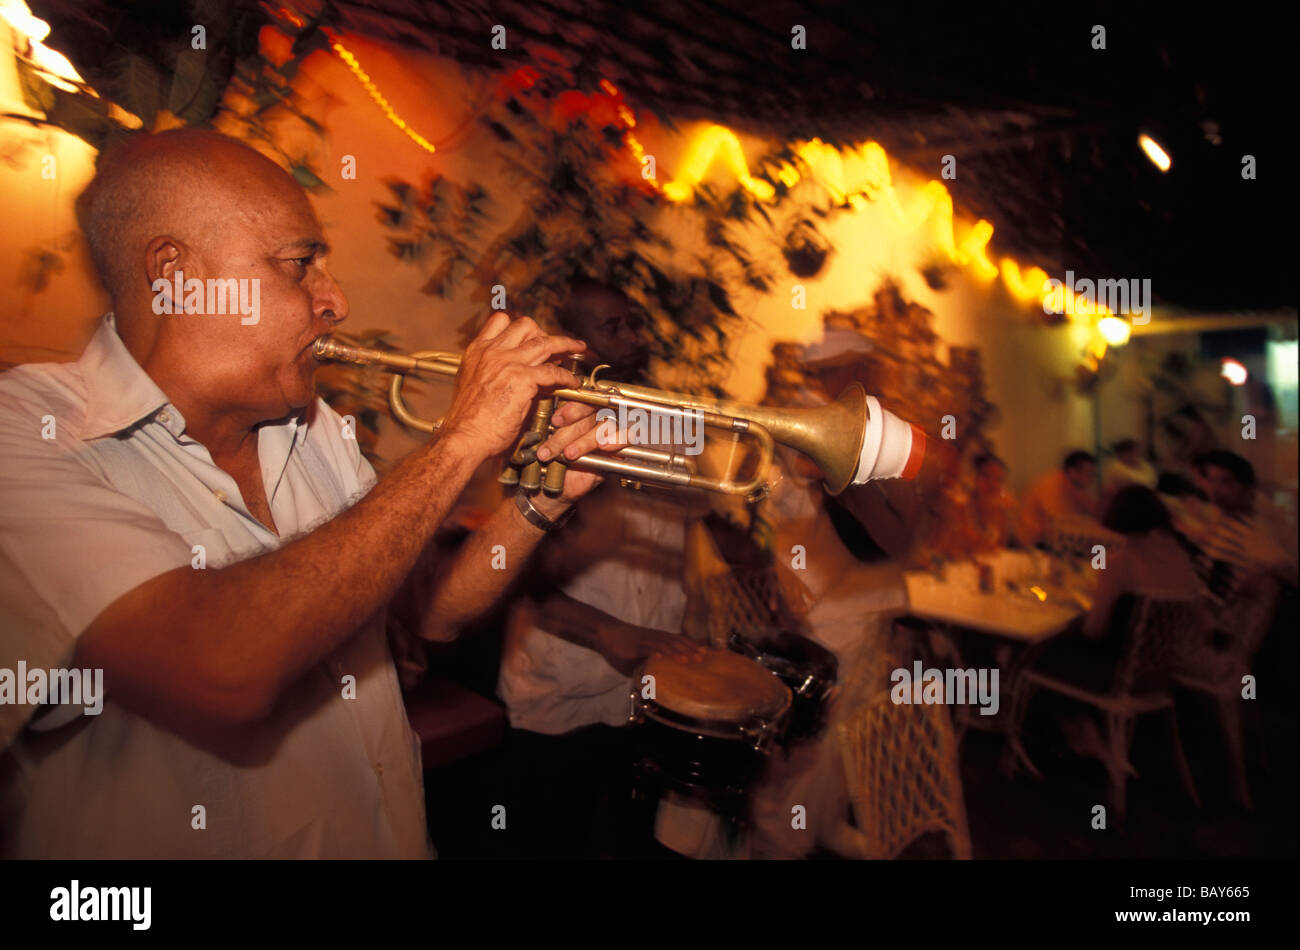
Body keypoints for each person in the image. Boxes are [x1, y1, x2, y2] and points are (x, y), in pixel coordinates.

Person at [0, 129, 613, 859]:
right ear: (174, 275)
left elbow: (432, 614)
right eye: (299, 265)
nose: (335, 301)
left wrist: (542, 500)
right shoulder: (32, 436)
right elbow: (221, 667)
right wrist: (458, 445)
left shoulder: (313, 425)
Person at [1182, 450, 1297, 601]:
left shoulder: (1252, 526)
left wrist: (1261, 575)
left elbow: (1285, 567)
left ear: (1247, 488)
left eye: (1226, 482)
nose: (1214, 489)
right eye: (1211, 480)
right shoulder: (1227, 519)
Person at [1017, 450, 1101, 548]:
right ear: (1072, 471)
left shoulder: (1072, 486)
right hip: (1034, 542)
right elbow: (1057, 524)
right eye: (1089, 474)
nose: (1091, 480)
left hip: (1048, 539)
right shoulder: (1052, 485)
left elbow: (1093, 510)